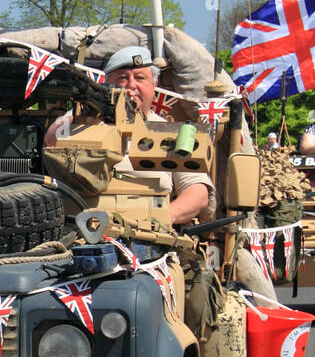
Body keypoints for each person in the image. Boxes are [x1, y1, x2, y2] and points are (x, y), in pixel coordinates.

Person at [44, 45, 212, 224]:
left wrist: (158, 221)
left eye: (140, 78)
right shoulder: (82, 121)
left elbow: (198, 192)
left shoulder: (171, 132)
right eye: (122, 78)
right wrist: (91, 115)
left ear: (154, 85)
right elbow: (51, 139)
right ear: (108, 83)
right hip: (83, 227)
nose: (131, 85)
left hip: (146, 233)